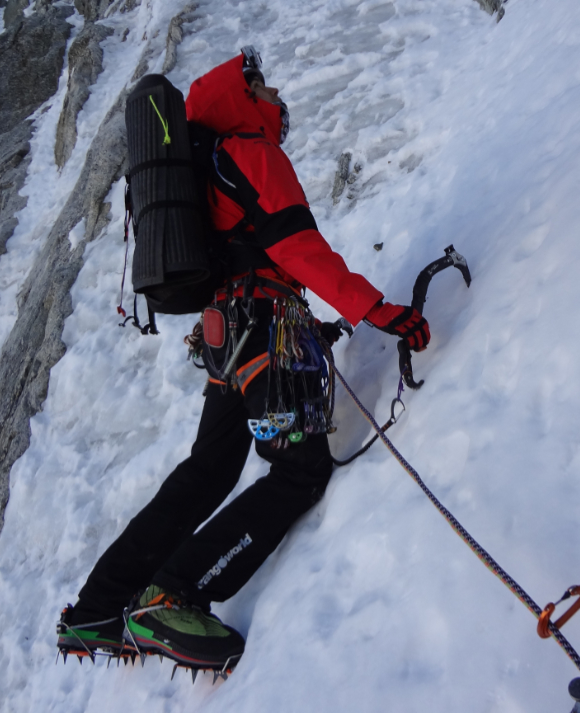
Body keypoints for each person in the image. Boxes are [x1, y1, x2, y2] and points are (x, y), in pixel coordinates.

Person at [57, 46, 430, 673]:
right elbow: (301, 252)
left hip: (225, 339)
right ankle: (172, 596)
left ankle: (100, 605)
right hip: (262, 332)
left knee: (208, 470)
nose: (279, 100)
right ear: (246, 96)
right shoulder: (250, 154)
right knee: (299, 470)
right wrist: (383, 314)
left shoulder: (200, 168)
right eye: (268, 91)